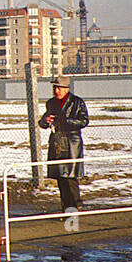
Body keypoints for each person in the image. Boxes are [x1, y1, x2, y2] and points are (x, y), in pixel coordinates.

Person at [39, 74, 89, 212]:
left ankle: (75, 205)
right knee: (60, 177)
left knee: (70, 176)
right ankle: (66, 207)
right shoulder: (51, 103)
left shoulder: (77, 102)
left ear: (66, 89)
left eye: (59, 88)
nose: (56, 91)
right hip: (57, 141)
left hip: (72, 142)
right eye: (55, 88)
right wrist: (45, 120)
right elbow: (42, 123)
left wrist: (65, 121)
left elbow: (84, 121)